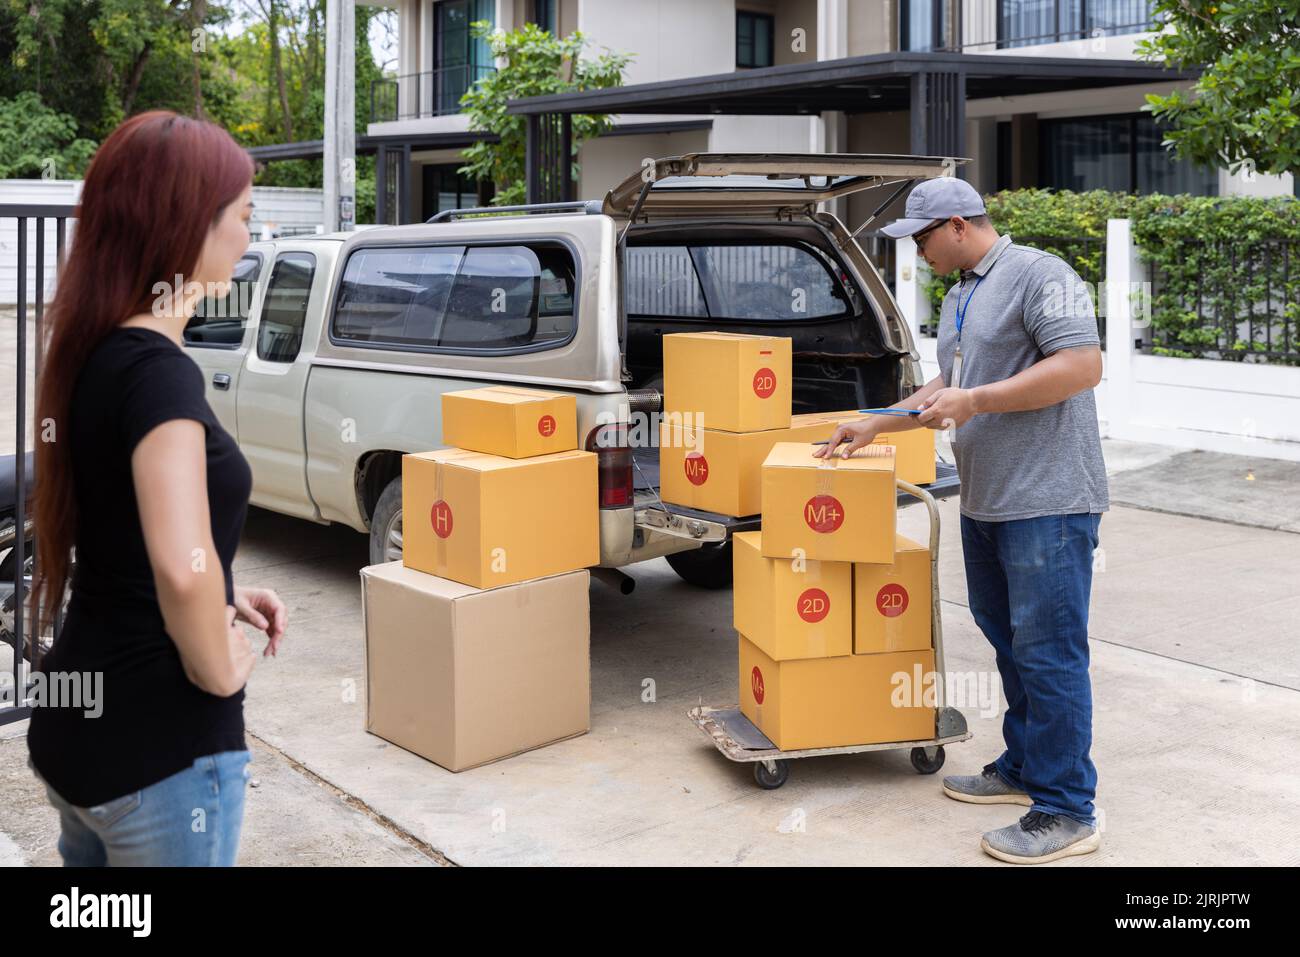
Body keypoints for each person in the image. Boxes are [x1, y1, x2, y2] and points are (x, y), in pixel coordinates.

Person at [815, 176, 1108, 864]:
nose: (916, 253)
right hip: (988, 497)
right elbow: (947, 384)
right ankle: (1026, 767)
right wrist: (879, 421)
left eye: (920, 238)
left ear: (954, 223)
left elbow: (1083, 365)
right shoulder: (962, 293)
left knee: (1049, 650)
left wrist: (978, 399)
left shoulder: (1041, 274)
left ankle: (1069, 806)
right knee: (1008, 639)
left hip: (1049, 499)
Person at [27, 111, 287, 866]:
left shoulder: (96, 351)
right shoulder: (160, 373)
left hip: (78, 724)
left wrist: (225, 587)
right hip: (160, 748)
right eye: (243, 218)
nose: (250, 239)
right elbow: (178, 567)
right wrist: (220, 667)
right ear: (186, 227)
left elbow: (130, 535)